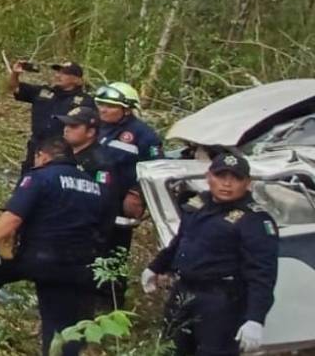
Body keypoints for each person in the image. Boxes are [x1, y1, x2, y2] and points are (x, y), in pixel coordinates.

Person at [0, 136, 106, 356]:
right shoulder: (92, 185)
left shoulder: (40, 177)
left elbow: (13, 217)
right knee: (60, 327)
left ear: (43, 156)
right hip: (74, 264)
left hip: (38, 256)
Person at [141, 153, 279, 356]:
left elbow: (262, 274)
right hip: (184, 292)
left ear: (247, 182)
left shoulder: (255, 220)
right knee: (170, 349)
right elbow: (182, 240)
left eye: (235, 178)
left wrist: (255, 318)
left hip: (221, 302)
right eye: (221, 176)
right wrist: (155, 266)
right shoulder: (199, 204)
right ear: (208, 176)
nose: (227, 183)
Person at [94, 80, 162, 302]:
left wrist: (137, 194)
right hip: (90, 200)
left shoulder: (144, 135)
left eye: (109, 106)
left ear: (126, 109)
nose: (103, 109)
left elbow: (155, 170)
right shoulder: (94, 126)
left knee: (113, 254)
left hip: (119, 205)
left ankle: (111, 302)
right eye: (101, 104)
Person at [57, 105, 125, 304]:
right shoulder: (65, 154)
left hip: (84, 235)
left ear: (91, 132)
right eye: (66, 125)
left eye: (74, 126)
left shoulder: (100, 163)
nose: (67, 129)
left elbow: (105, 203)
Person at [7, 59, 94, 172]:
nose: (58, 75)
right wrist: (15, 73)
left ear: (77, 80)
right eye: (58, 72)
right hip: (36, 146)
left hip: (62, 149)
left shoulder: (84, 101)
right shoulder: (43, 92)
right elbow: (14, 88)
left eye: (65, 73)